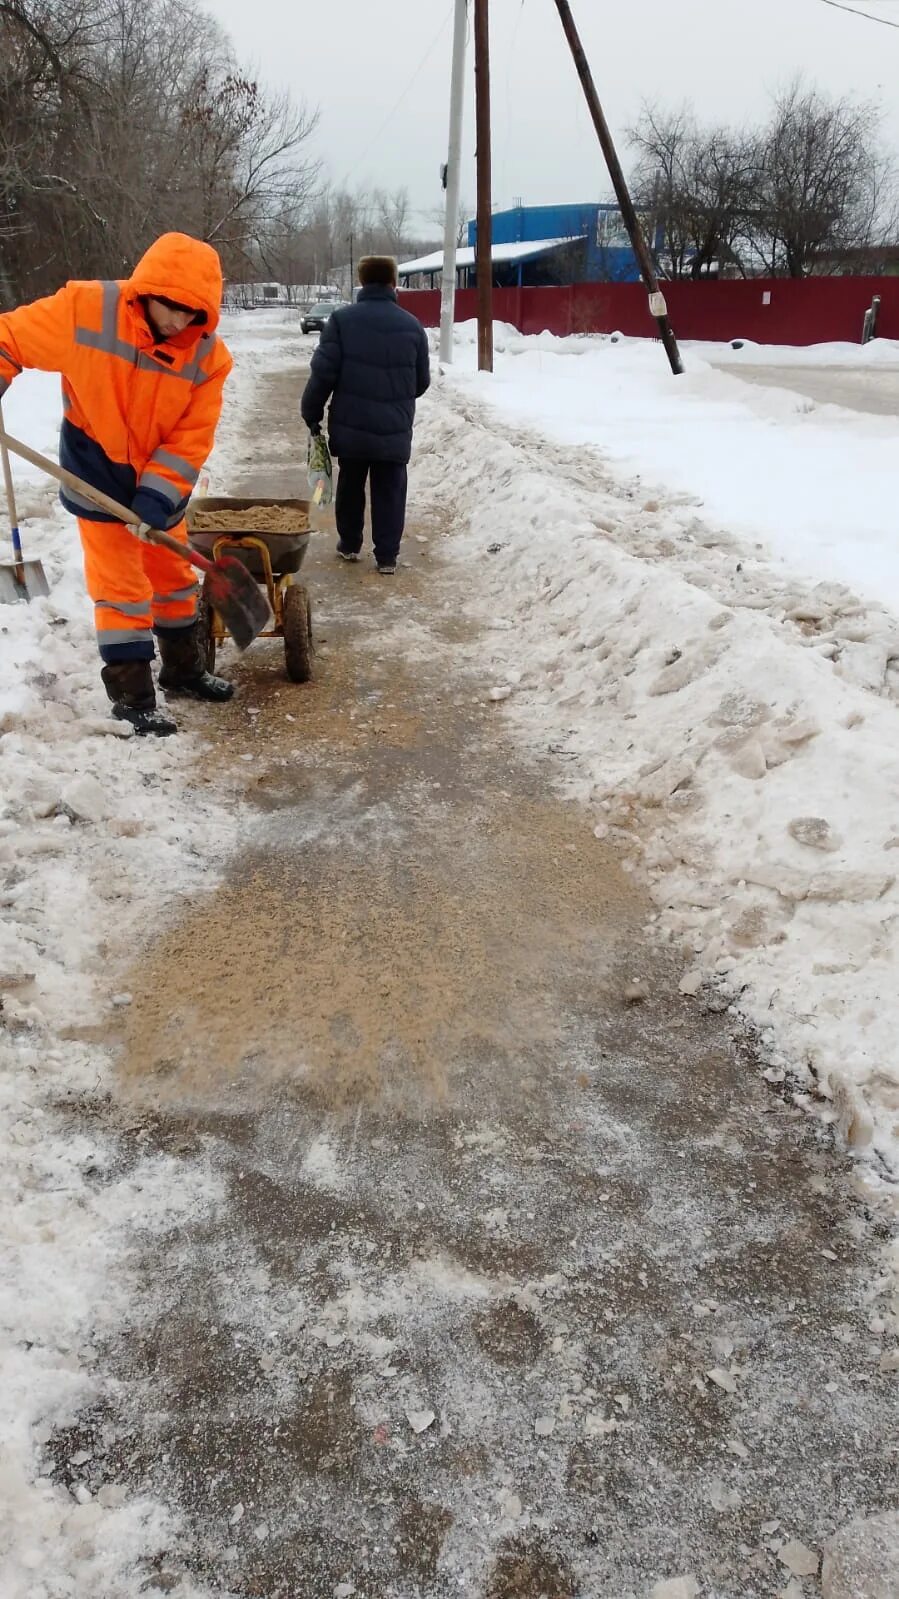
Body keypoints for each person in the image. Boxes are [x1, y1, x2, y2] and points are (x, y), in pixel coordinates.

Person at [0, 232, 235, 735]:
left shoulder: (208, 359)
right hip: (96, 473)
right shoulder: (86, 310)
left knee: (173, 580)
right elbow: (10, 337)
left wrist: (157, 496)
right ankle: (133, 696)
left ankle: (184, 670)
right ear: (145, 287)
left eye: (191, 313)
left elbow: (191, 438)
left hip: (161, 487)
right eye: (169, 305)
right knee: (122, 590)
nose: (176, 321)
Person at [300, 256, 430, 575]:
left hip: (351, 426)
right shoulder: (412, 326)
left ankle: (349, 545)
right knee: (390, 490)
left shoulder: (342, 322)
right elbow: (421, 382)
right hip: (394, 428)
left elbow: (323, 374)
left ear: (362, 281)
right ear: (393, 283)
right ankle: (387, 556)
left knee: (350, 485)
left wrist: (312, 412)